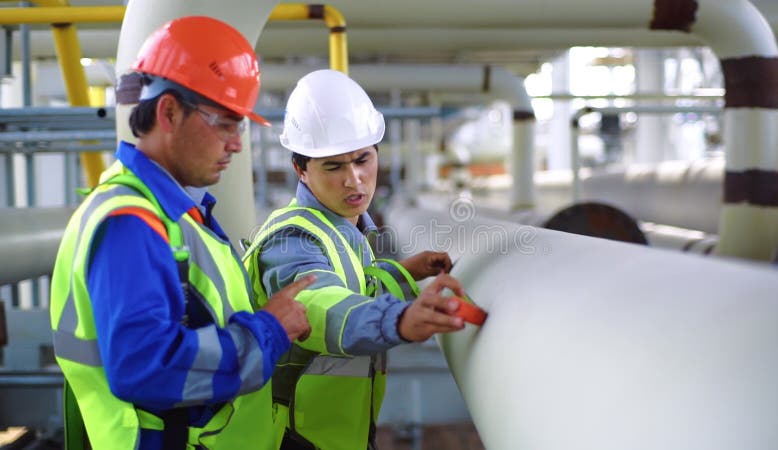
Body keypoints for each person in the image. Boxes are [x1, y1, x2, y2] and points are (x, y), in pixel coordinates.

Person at [49, 16, 311, 450]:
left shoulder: (179, 216)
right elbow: (147, 367)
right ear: (169, 111)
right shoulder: (130, 224)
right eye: (225, 123)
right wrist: (269, 330)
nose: (236, 144)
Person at [242, 69, 468, 450]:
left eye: (363, 159)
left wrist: (403, 273)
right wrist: (399, 320)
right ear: (301, 169)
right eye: (333, 166)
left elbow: (356, 287)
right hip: (292, 437)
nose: (355, 179)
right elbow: (323, 308)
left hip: (329, 432)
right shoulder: (293, 238)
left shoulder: (343, 229)